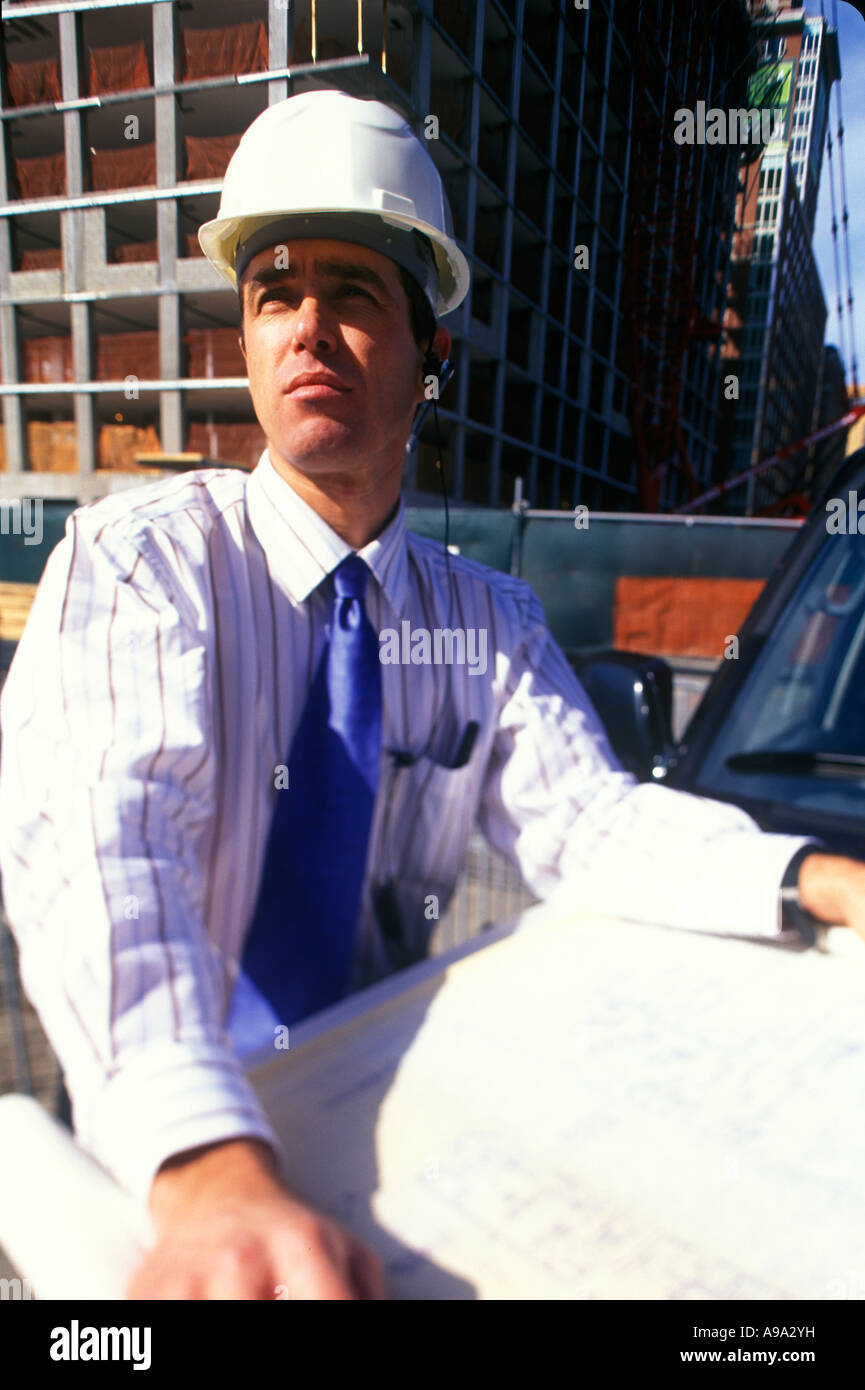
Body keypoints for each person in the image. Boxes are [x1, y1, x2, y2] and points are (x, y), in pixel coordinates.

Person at [1, 89, 864, 1302]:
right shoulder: (146, 564)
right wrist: (206, 1166)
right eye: (273, 297)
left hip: (391, 1136)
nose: (307, 328)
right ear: (244, 342)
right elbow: (106, 850)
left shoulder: (488, 623)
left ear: (430, 356)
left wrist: (814, 878)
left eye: (352, 295)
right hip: (168, 1160)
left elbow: (593, 824)